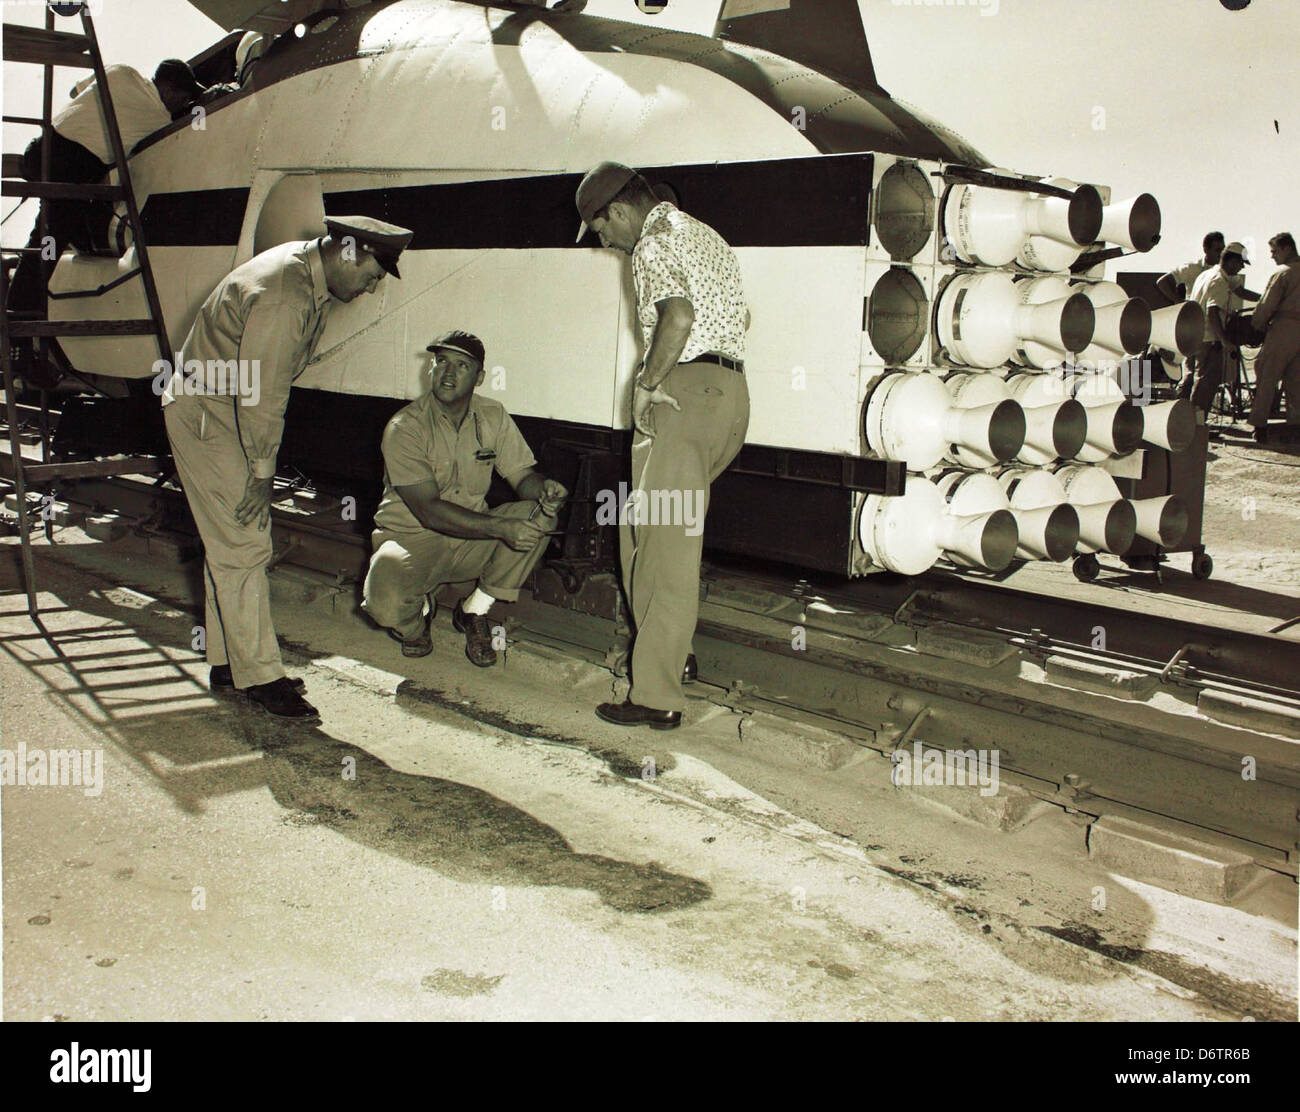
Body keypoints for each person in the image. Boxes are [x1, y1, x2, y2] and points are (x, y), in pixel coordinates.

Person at [163, 215, 413, 722]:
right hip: (211, 410)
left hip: (220, 403)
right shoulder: (286, 294)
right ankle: (260, 676)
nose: (371, 287)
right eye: (372, 273)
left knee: (232, 544)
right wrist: (260, 473)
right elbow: (261, 392)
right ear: (348, 251)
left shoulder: (305, 275)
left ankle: (231, 663)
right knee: (245, 542)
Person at [575, 161, 750, 731]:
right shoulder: (707, 235)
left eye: (602, 230)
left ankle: (655, 696)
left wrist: (646, 385)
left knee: (664, 552)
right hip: (728, 396)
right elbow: (740, 316)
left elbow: (678, 318)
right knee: (643, 531)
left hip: (682, 395)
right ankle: (670, 652)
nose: (606, 242)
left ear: (621, 212)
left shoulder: (652, 246)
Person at [362, 331, 567, 666]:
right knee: (384, 605)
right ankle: (418, 621)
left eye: (461, 365)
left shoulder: (492, 415)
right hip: (413, 540)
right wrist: (501, 528)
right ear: (431, 369)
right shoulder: (405, 426)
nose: (448, 372)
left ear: (479, 377)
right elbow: (429, 511)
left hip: (468, 541)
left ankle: (473, 610)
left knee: (539, 516)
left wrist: (545, 490)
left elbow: (522, 476)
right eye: (441, 361)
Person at [8, 61, 200, 312]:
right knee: (49, 241)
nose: (182, 105)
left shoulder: (122, 71)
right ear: (170, 91)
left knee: (51, 232)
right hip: (69, 169)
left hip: (39, 149)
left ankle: (22, 296)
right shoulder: (159, 120)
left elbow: (75, 92)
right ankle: (19, 315)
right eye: (183, 99)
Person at [1187, 241, 1251, 417]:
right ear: (1231, 261)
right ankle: (1197, 422)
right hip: (1209, 338)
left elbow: (1240, 291)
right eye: (1240, 264)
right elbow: (1212, 312)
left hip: (1195, 334)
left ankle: (1191, 419)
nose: (1240, 269)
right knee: (1206, 382)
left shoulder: (1209, 274)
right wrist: (1224, 341)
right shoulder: (1219, 281)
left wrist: (1265, 299)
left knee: (1197, 378)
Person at [1249, 233, 1300, 443]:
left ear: (1286, 248)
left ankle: (1259, 424)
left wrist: (1256, 327)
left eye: (1274, 251)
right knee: (1296, 380)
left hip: (1284, 329)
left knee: (1266, 375)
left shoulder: (1283, 273)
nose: (1272, 256)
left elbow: (1266, 305)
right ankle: (1296, 425)